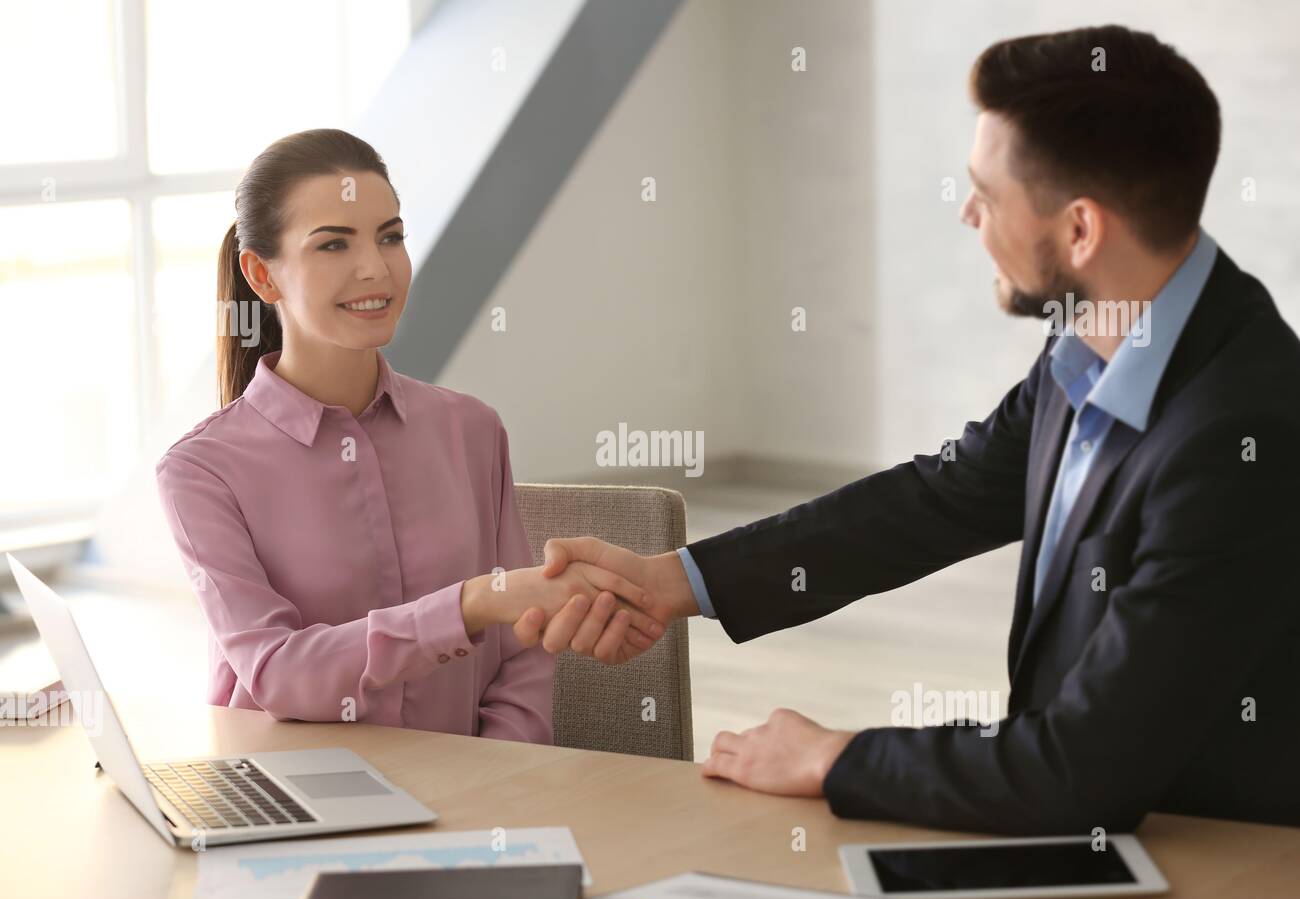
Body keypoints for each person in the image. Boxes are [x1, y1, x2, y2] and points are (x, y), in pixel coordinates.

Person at [523, 26, 1300, 832]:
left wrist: (830, 757)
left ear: (1080, 231)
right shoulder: (1097, 341)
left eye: (986, 193)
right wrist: (671, 582)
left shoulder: (1240, 439)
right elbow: (942, 498)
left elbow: (1082, 769)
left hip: (1217, 875)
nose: (968, 213)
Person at [155, 129, 661, 742]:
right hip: (287, 799)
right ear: (263, 276)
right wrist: (469, 604)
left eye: (390, 236)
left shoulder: (471, 429)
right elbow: (277, 672)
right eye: (334, 245)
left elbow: (522, 651)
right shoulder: (202, 470)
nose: (375, 268)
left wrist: (499, 782)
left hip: (473, 803)